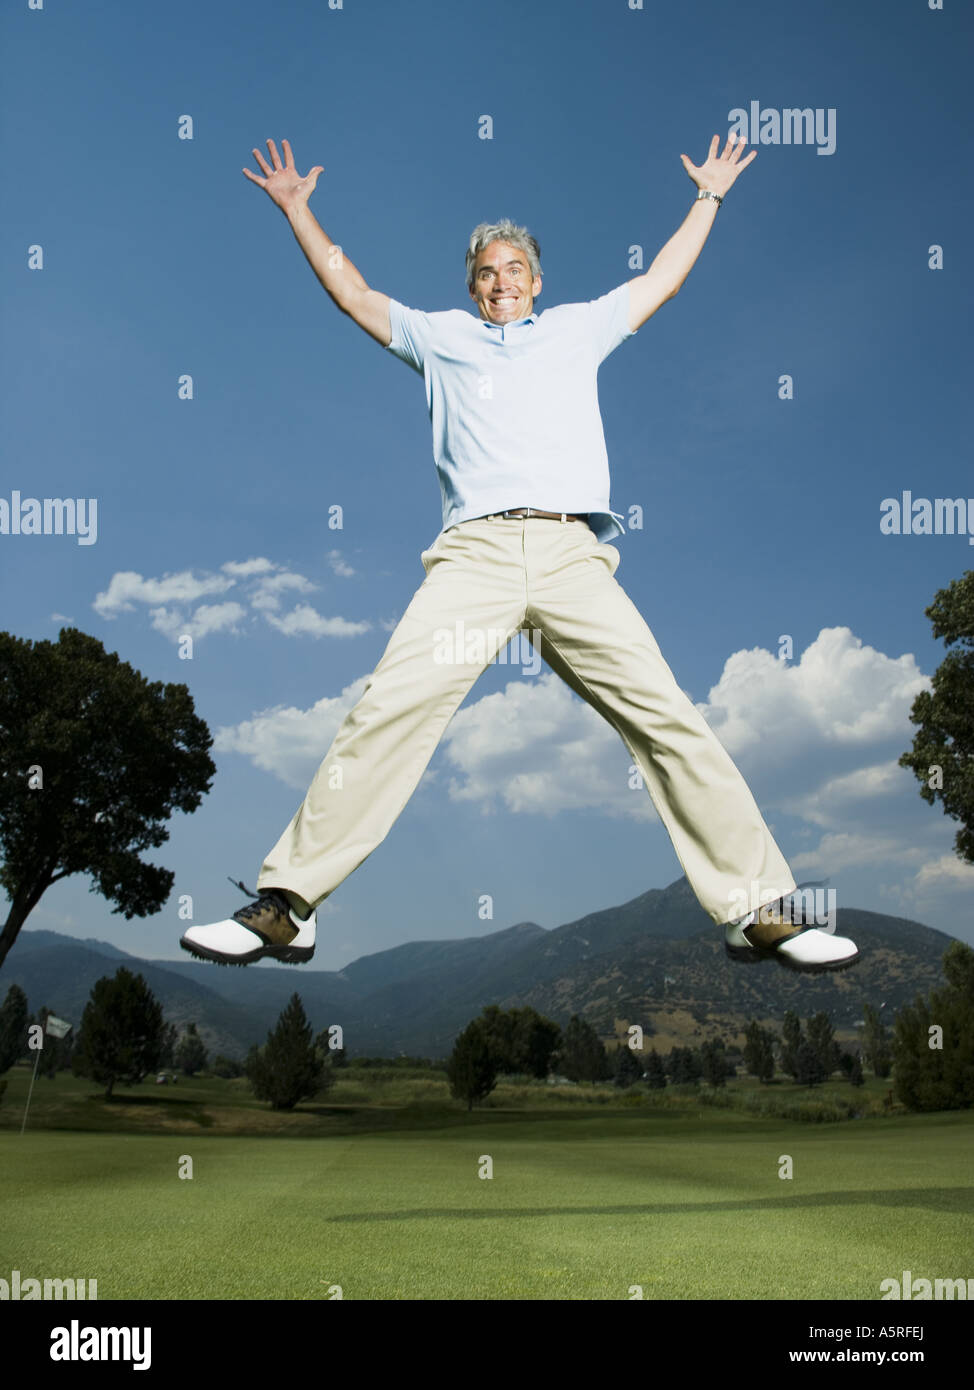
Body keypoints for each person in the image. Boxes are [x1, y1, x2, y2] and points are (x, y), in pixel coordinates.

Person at [180, 135, 859, 976]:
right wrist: (297, 210)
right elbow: (352, 292)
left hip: (574, 554)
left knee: (667, 716)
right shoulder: (440, 340)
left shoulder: (578, 330)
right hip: (476, 554)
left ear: (538, 282)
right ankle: (288, 905)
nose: (501, 282)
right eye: (487, 272)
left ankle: (754, 907)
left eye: (515, 270)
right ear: (472, 287)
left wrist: (709, 197)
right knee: (389, 708)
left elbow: (662, 280)